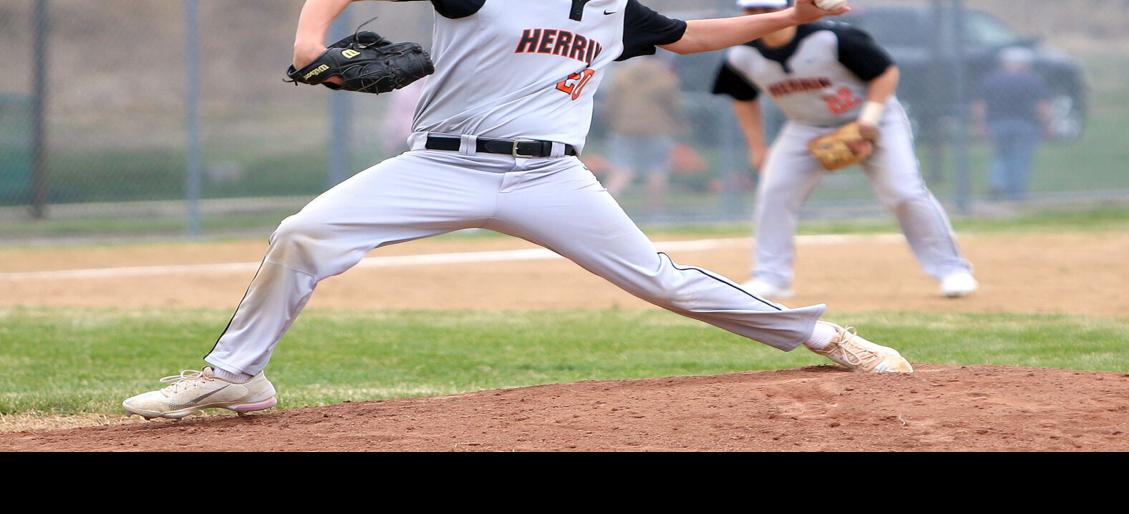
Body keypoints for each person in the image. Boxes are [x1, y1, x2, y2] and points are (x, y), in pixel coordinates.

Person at [122, 0, 911, 422]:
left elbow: (694, 35)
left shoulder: (612, 9)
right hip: (438, 163)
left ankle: (830, 337)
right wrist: (306, 41)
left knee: (662, 281)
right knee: (302, 234)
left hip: (551, 180)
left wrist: (789, 18)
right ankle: (236, 378)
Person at [711, 0, 977, 301]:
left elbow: (885, 72)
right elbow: (742, 98)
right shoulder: (741, 54)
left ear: (789, 8)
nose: (759, 16)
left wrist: (868, 121)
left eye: (767, 9)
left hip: (873, 117)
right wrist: (757, 147)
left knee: (903, 192)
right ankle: (771, 277)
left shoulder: (831, 38)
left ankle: (952, 270)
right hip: (806, 126)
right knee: (776, 191)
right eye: (751, 10)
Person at [601, 55, 684, 215]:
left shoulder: (622, 76)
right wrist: (678, 125)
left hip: (624, 128)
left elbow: (611, 104)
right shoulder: (664, 78)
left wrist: (614, 123)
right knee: (657, 170)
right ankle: (654, 213)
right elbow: (674, 106)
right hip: (656, 129)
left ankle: (605, 210)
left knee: (622, 169)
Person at [972, 46, 1052, 202]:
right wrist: (1048, 125)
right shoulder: (1033, 80)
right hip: (1025, 125)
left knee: (1000, 157)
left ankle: (997, 183)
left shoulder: (991, 80)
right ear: (1024, 64)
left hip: (997, 124)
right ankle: (1016, 193)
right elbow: (1042, 106)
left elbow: (979, 106)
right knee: (1020, 159)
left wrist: (980, 124)